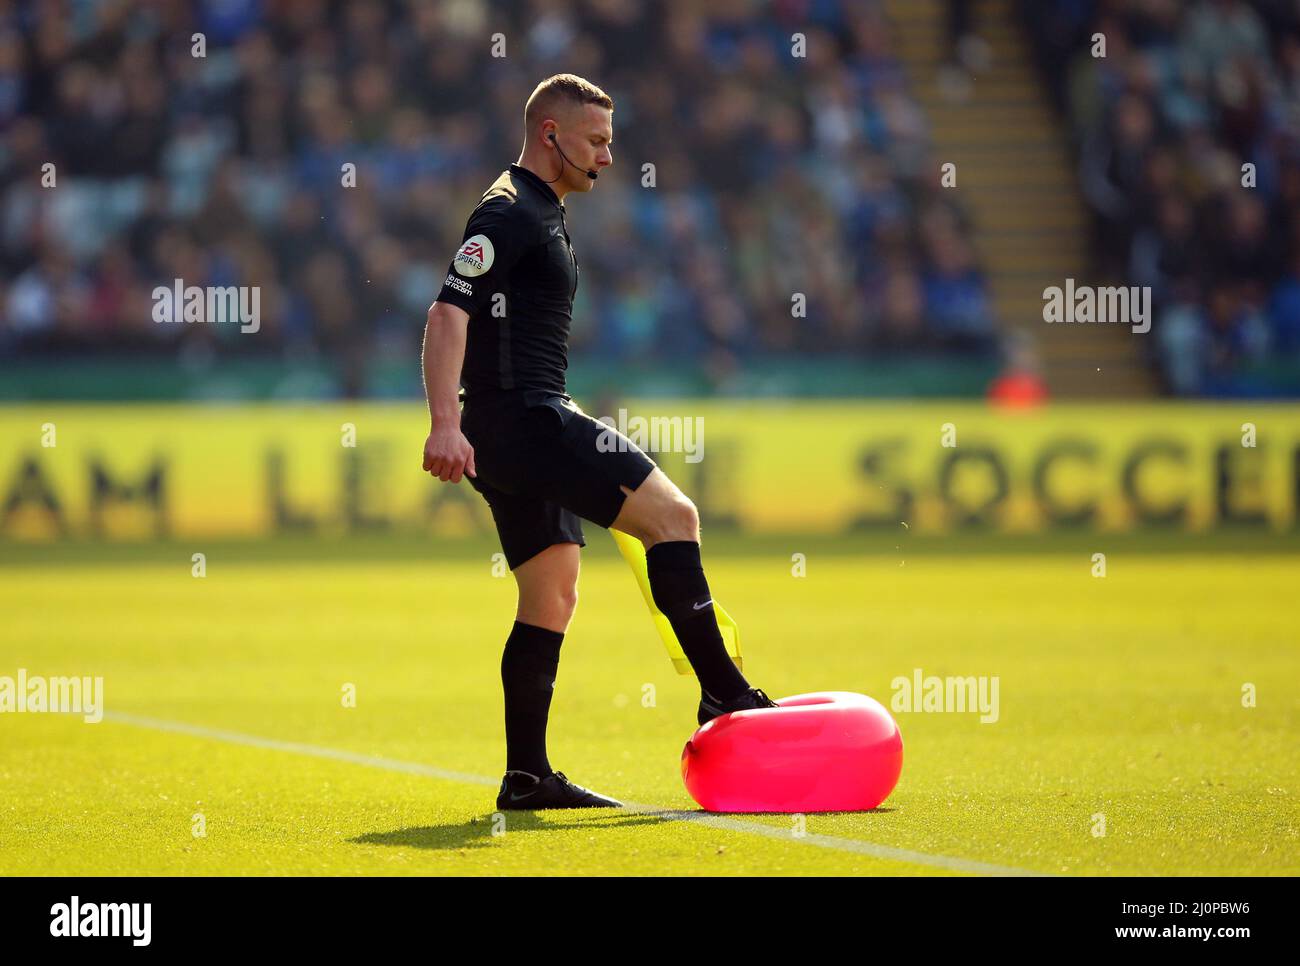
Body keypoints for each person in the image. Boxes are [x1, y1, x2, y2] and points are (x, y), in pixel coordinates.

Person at [420, 74, 777, 811]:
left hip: (509, 426)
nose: (608, 159)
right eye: (596, 142)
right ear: (550, 135)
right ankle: (726, 694)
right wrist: (444, 424)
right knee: (675, 519)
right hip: (525, 420)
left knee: (551, 594)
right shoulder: (508, 212)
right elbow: (447, 314)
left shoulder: (540, 211)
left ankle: (526, 777)